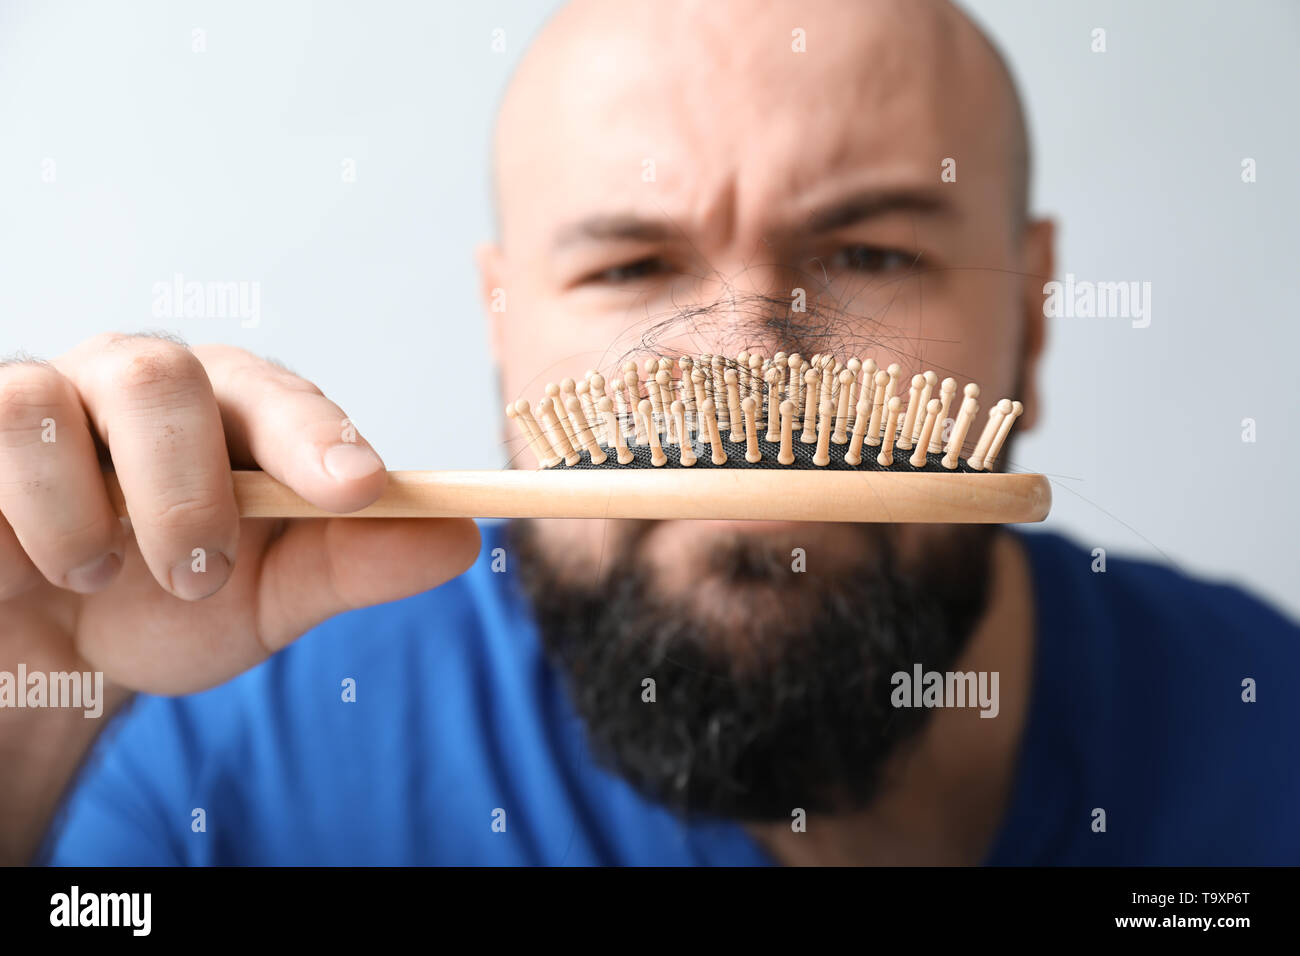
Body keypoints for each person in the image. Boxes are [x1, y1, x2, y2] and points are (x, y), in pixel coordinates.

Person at [4, 0, 1295, 866]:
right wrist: (25, 739)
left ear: (1036, 309)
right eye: (631, 266)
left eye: (870, 252)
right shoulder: (219, 769)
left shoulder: (1267, 738)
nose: (743, 364)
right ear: (504, 328)